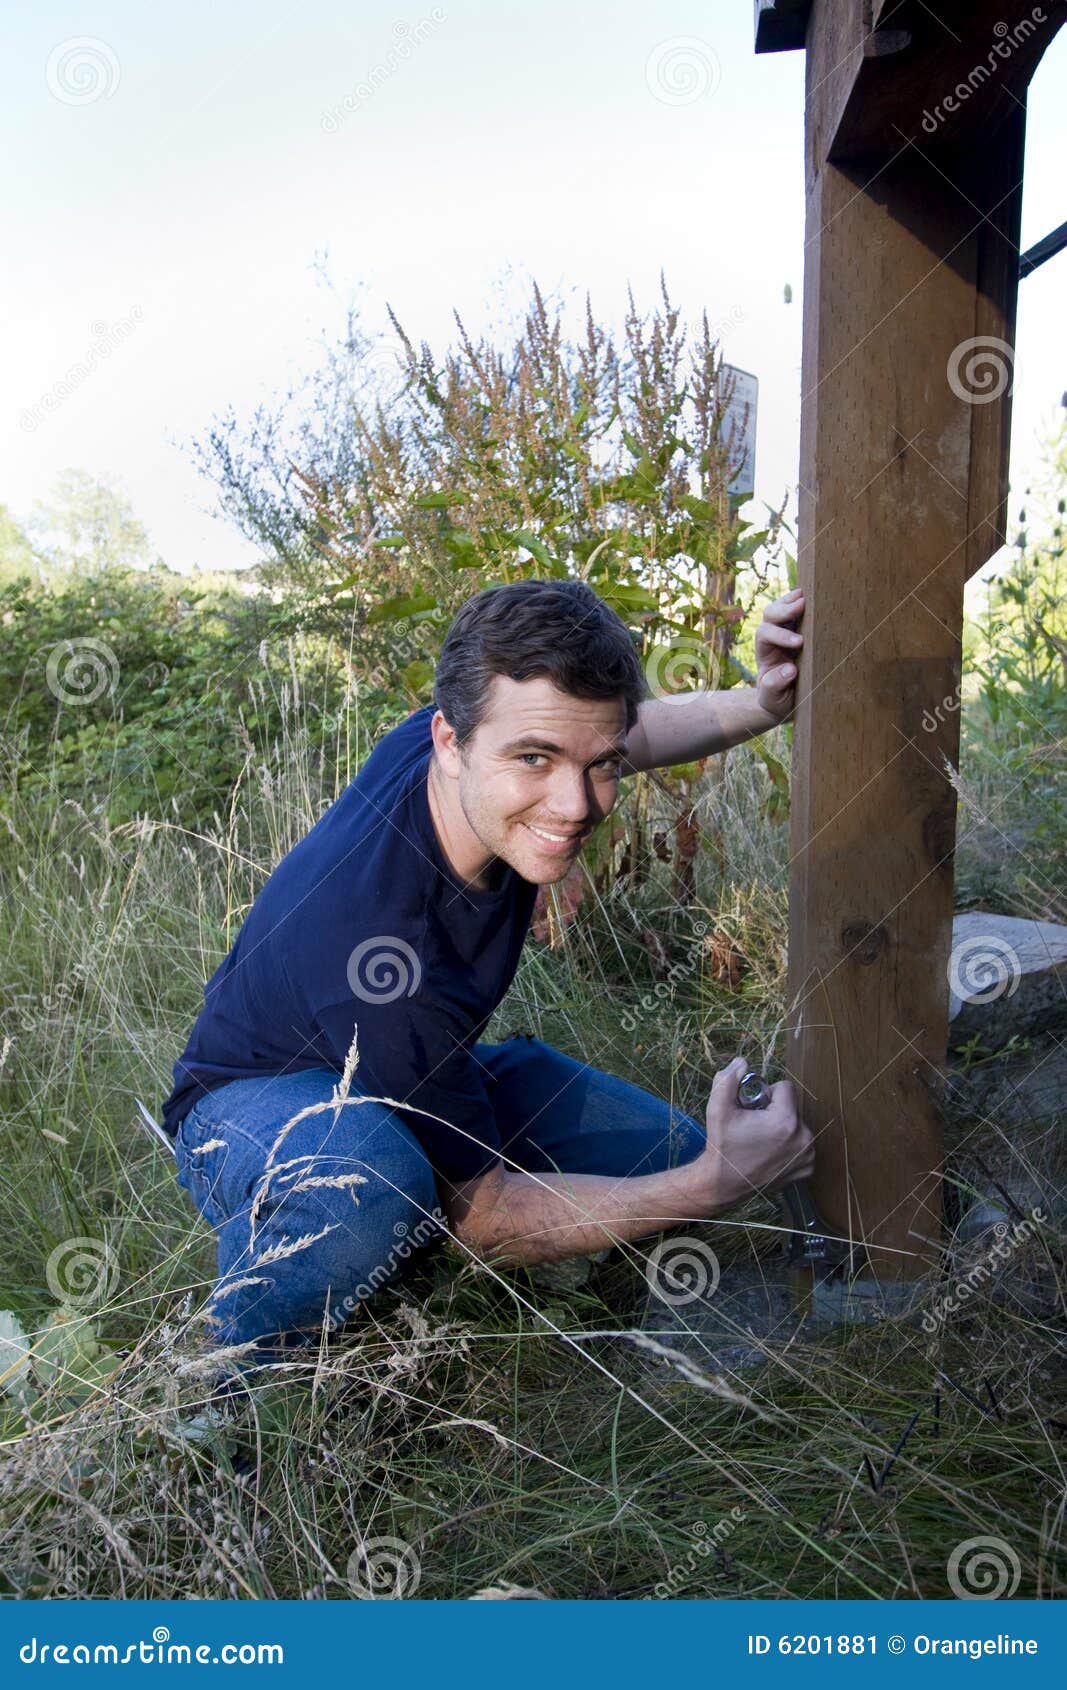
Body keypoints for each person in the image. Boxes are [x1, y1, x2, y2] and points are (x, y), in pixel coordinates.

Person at [162, 576, 812, 1351]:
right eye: (534, 760)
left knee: (663, 1158)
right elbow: (491, 1222)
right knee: (366, 1191)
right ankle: (239, 1400)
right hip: (253, 1109)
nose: (574, 806)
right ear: (449, 741)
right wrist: (715, 1187)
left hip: (409, 1066)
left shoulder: (468, 739)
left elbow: (613, 732)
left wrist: (764, 703)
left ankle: (430, 1219)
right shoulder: (379, 948)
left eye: (596, 764)